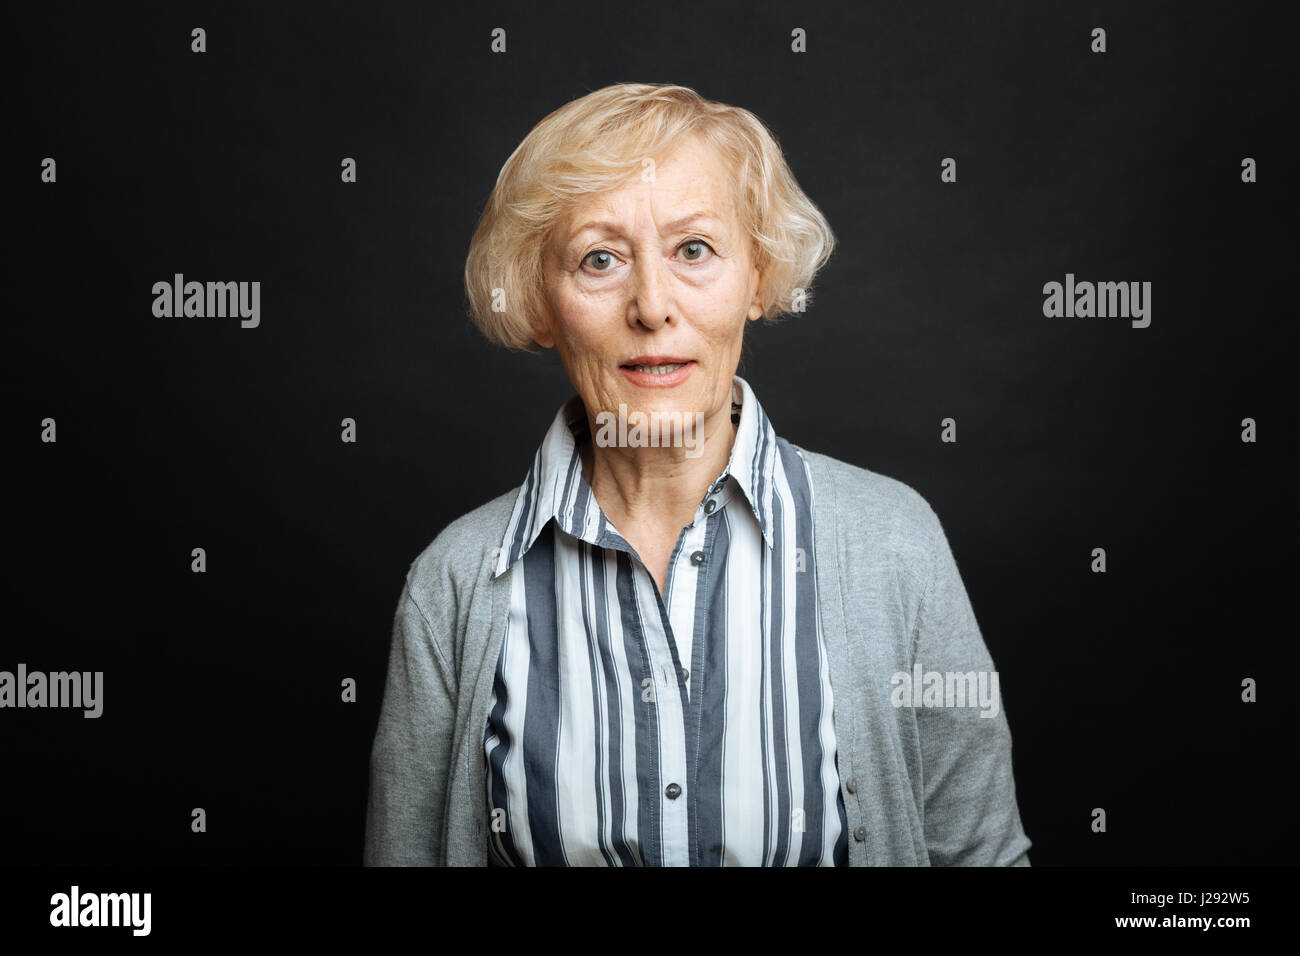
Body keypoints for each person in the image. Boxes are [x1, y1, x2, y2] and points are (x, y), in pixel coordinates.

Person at [364, 82, 1031, 866]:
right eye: (600, 258)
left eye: (693, 250)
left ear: (758, 275)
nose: (652, 305)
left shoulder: (894, 544)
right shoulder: (453, 584)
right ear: (540, 299)